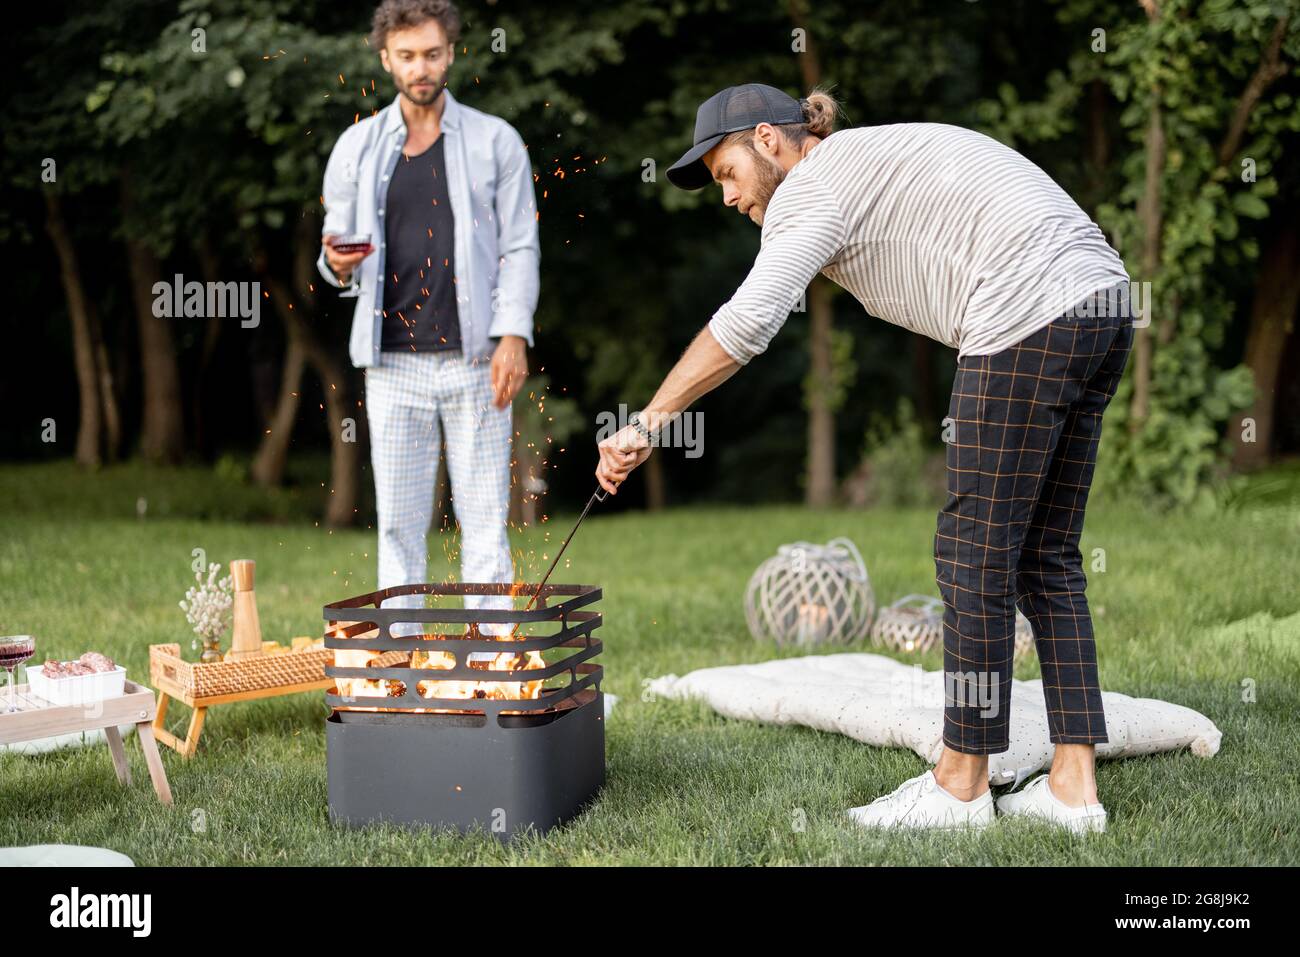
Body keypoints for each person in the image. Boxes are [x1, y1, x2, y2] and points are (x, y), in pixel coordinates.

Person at [595, 83, 1132, 833]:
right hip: (1102, 301)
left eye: (726, 173)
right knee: (1045, 552)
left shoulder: (814, 184)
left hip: (1028, 305)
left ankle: (960, 784)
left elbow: (749, 321)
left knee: (973, 550)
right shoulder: (866, 162)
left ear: (769, 140)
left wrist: (647, 423)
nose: (726, 197)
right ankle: (1074, 789)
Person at [318, 0, 539, 645]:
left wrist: (513, 335)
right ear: (386, 58)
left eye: (433, 54)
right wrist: (334, 262)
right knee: (398, 527)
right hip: (391, 366)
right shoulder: (355, 146)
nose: (421, 68)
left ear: (451, 54)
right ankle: (404, 668)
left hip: (477, 363)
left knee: (485, 525)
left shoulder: (496, 140)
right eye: (407, 56)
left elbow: (520, 245)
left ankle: (494, 663)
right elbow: (337, 262)